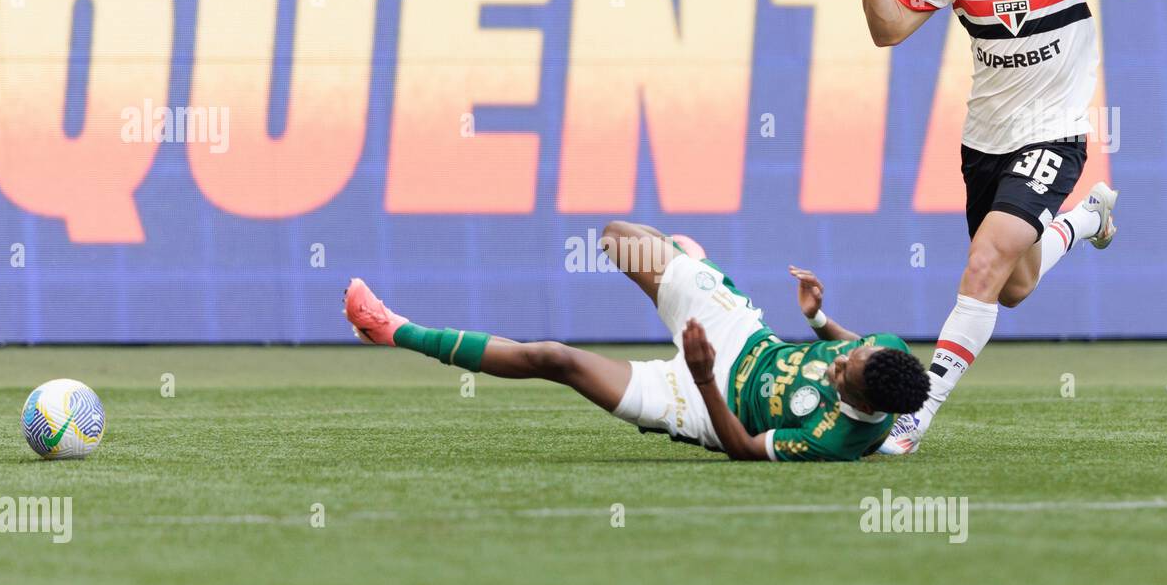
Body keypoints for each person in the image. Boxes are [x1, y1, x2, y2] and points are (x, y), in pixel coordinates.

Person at [806, 0, 1167, 453]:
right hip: (985, 143)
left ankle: (915, 416)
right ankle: (1087, 220)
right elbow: (888, 31)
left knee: (983, 264)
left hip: (1054, 136)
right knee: (1014, 286)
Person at [343, 222, 930, 462]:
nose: (843, 358)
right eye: (856, 352)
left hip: (700, 403)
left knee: (556, 359)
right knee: (620, 239)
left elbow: (744, 450)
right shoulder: (881, 351)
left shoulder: (838, 441)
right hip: (742, 336)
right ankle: (694, 268)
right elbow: (853, 341)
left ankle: (391, 330)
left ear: (864, 402)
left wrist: (702, 376)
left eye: (843, 369)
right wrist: (821, 319)